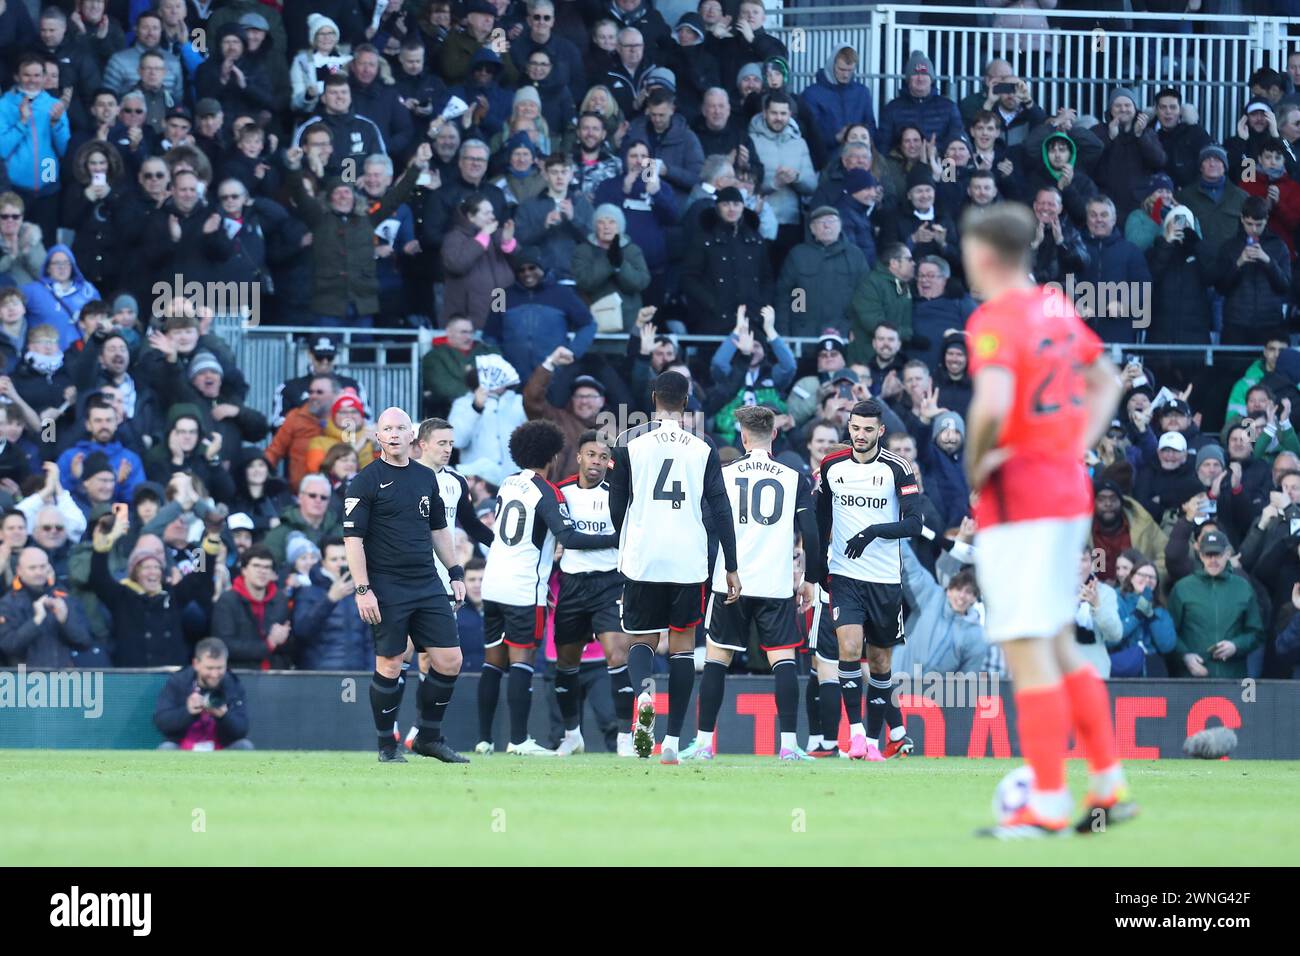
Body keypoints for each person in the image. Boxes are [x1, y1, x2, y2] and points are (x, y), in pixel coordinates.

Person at [960, 202, 1133, 837]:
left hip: (1020, 501)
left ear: (982, 254)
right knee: (1060, 640)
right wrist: (1074, 442)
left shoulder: (994, 318)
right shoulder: (1056, 308)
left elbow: (992, 405)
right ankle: (1108, 782)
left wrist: (979, 466)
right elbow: (1107, 381)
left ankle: (1051, 805)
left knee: (1027, 650)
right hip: (1068, 491)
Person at [608, 370, 739, 762]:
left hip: (643, 557)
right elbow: (720, 507)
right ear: (686, 402)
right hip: (688, 560)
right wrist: (731, 564)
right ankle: (672, 742)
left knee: (641, 641)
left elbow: (616, 504)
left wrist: (626, 539)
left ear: (653, 399)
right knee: (682, 648)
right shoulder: (703, 446)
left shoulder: (628, 443)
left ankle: (645, 695)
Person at [677, 405, 819, 761]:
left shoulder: (723, 474)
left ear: (742, 437)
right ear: (773, 434)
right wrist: (809, 579)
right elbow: (813, 535)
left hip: (730, 582)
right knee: (783, 661)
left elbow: (706, 526)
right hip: (774, 583)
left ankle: (704, 743)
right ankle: (788, 745)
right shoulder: (793, 476)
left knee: (716, 660)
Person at [477, 421, 618, 755]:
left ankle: (483, 739)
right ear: (554, 455)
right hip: (524, 588)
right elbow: (568, 537)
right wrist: (616, 539)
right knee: (522, 660)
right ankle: (518, 740)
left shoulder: (507, 484)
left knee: (492, 663)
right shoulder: (549, 492)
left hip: (493, 581)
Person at [344, 406, 468, 763]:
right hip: (386, 586)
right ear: (379, 436)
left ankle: (429, 736)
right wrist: (363, 589)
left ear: (412, 436)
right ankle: (386, 744)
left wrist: (455, 571)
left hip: (427, 582)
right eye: (388, 429)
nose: (395, 434)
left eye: (401, 428)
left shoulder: (425, 478)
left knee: (449, 660)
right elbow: (353, 540)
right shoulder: (365, 480)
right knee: (390, 664)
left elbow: (439, 530)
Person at [814, 397, 920, 762]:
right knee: (848, 648)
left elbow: (914, 524)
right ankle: (856, 735)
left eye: (867, 430)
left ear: (881, 431)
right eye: (855, 428)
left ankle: (874, 743)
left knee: (879, 664)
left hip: (885, 580)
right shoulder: (831, 466)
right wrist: (816, 570)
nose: (860, 435)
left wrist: (872, 530)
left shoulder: (897, 468)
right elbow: (820, 519)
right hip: (844, 574)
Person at [551, 430, 636, 756]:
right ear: (579, 457)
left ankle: (625, 738)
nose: (596, 462)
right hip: (572, 584)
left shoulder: (617, 492)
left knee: (617, 654)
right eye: (591, 455)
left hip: (609, 583)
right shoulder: (561, 493)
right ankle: (572, 734)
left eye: (603, 457)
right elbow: (563, 539)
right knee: (566, 662)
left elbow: (627, 536)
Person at [1167, 530, 1261, 680]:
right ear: (1200, 555)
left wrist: (1236, 646)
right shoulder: (1182, 588)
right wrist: (1185, 656)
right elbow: (1169, 632)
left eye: (1217, 554)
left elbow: (1257, 633)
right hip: (1193, 679)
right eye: (1207, 555)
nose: (1212, 560)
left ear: (1227, 553)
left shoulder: (1243, 587)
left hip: (1233, 677)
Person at [153, 638, 253, 750]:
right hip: (184, 750)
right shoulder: (179, 682)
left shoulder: (232, 684)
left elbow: (242, 728)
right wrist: (188, 712)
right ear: (196, 664)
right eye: (209, 668)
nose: (215, 674)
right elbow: (161, 722)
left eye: (220, 668)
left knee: (244, 746)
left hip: (221, 752)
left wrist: (224, 716)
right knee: (166, 748)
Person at [0, 545, 91, 667]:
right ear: (19, 571)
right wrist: (36, 621)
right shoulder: (8, 603)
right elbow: (8, 646)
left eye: (43, 567)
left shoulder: (63, 598)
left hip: (63, 678)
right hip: (24, 680)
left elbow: (84, 642)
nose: (39, 572)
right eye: (32, 568)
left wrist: (65, 620)